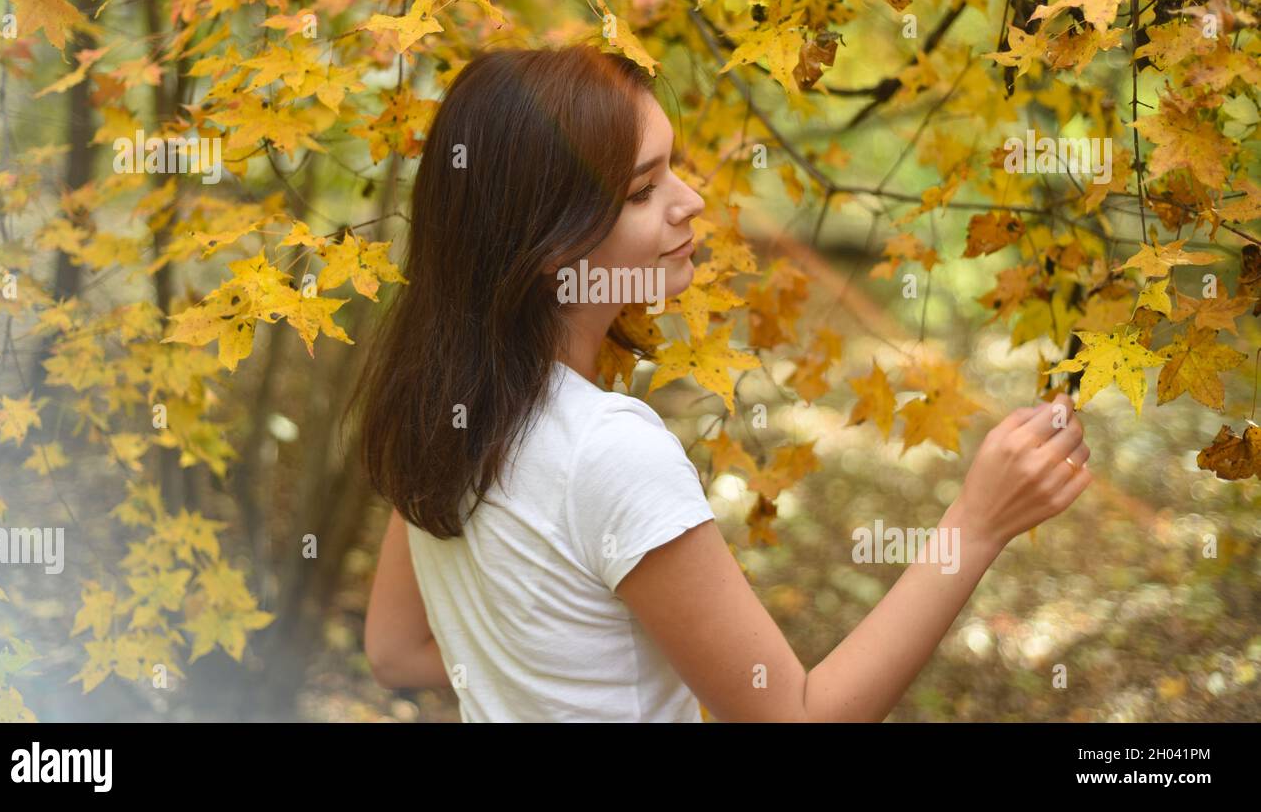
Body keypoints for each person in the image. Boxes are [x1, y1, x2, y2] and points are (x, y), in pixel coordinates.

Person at [348, 43, 1093, 722]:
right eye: (643, 190)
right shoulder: (606, 448)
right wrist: (976, 523)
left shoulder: (445, 410)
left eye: (673, 165)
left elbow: (395, 649)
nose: (691, 199)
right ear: (550, 242)